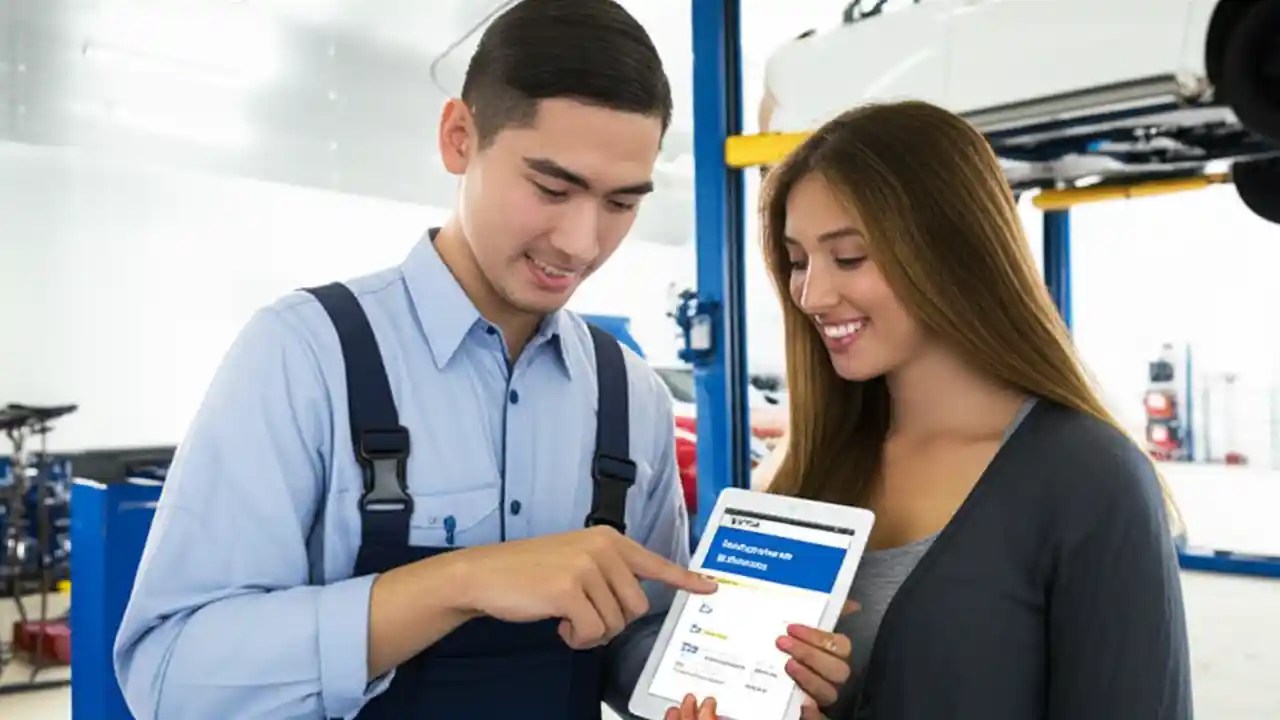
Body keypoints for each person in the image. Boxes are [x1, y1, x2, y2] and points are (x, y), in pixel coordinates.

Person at [112, 1, 853, 718]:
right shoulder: (304, 356)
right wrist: (462, 582)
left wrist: (735, 677)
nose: (582, 242)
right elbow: (172, 677)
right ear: (459, 137)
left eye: (621, 203)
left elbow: (634, 639)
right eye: (552, 187)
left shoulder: (630, 396)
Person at [751, 100, 1194, 719]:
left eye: (849, 257)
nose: (812, 295)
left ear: (951, 251)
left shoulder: (1089, 477)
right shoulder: (796, 471)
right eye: (798, 262)